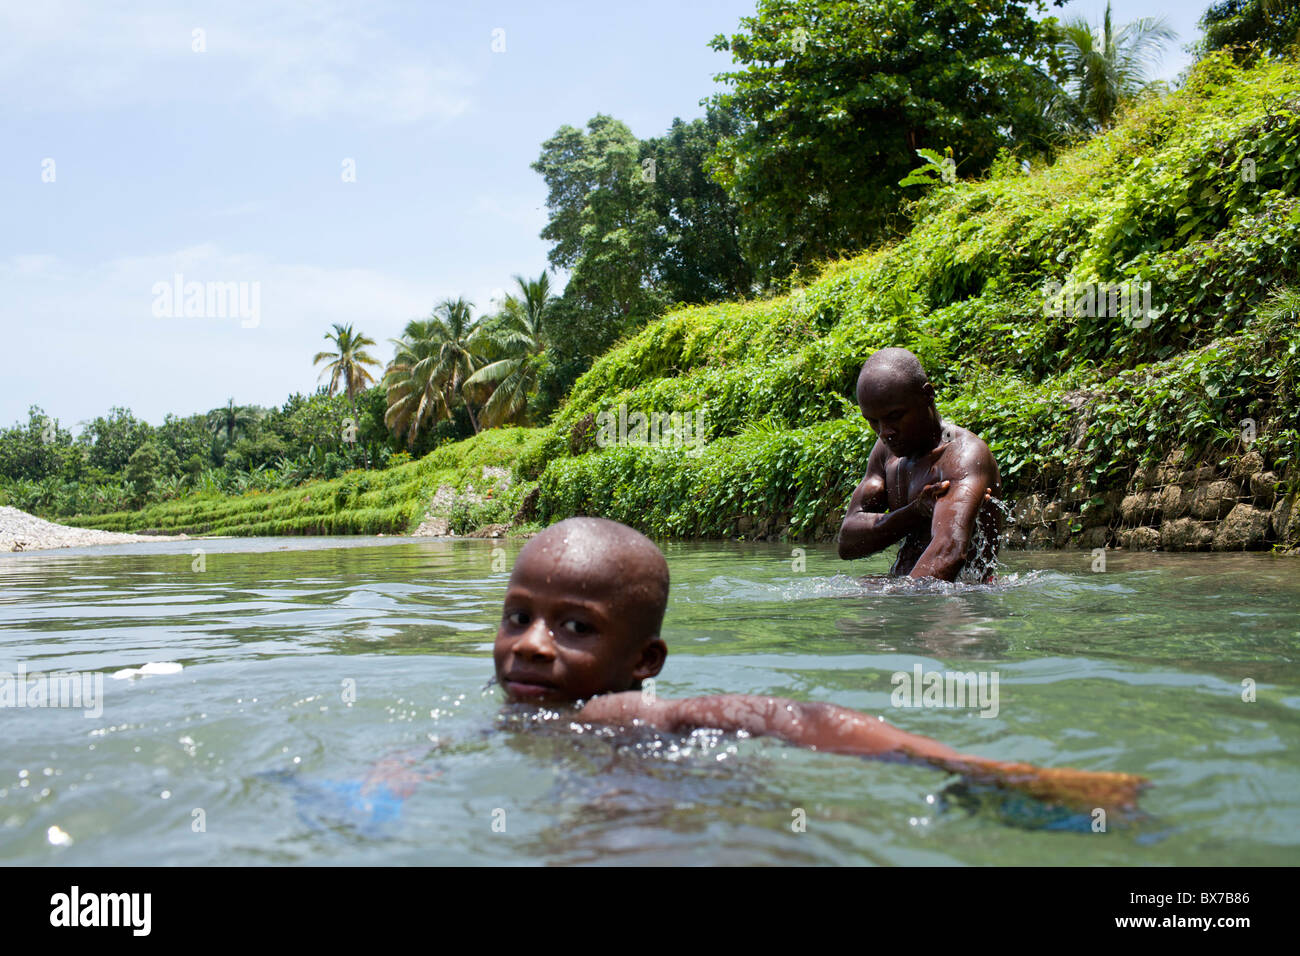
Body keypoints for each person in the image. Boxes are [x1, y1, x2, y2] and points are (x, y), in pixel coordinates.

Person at [495, 517, 1145, 814]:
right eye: (518, 616)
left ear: (645, 662)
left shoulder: (621, 710)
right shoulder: (527, 719)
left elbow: (795, 717)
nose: (532, 643)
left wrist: (980, 770)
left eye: (576, 627)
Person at [838, 348, 1002, 582]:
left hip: (960, 607)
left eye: (895, 416)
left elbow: (948, 552)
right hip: (913, 593)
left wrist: (900, 605)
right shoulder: (886, 452)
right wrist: (913, 513)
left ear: (927, 395)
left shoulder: (963, 456)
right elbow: (848, 543)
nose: (885, 432)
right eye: (873, 421)